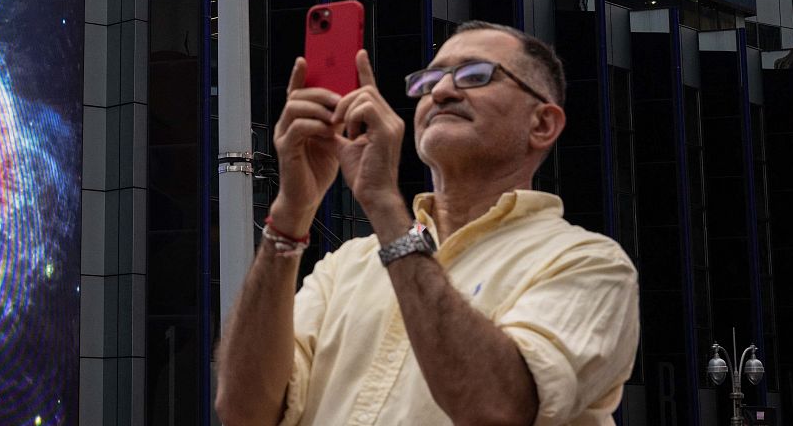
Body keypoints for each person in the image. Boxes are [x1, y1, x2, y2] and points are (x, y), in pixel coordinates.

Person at [214, 21, 640, 426]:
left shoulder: (590, 263)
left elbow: (496, 408)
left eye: (475, 75)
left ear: (543, 123)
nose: (442, 91)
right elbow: (242, 411)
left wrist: (383, 201)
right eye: (428, 81)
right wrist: (290, 214)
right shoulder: (348, 265)